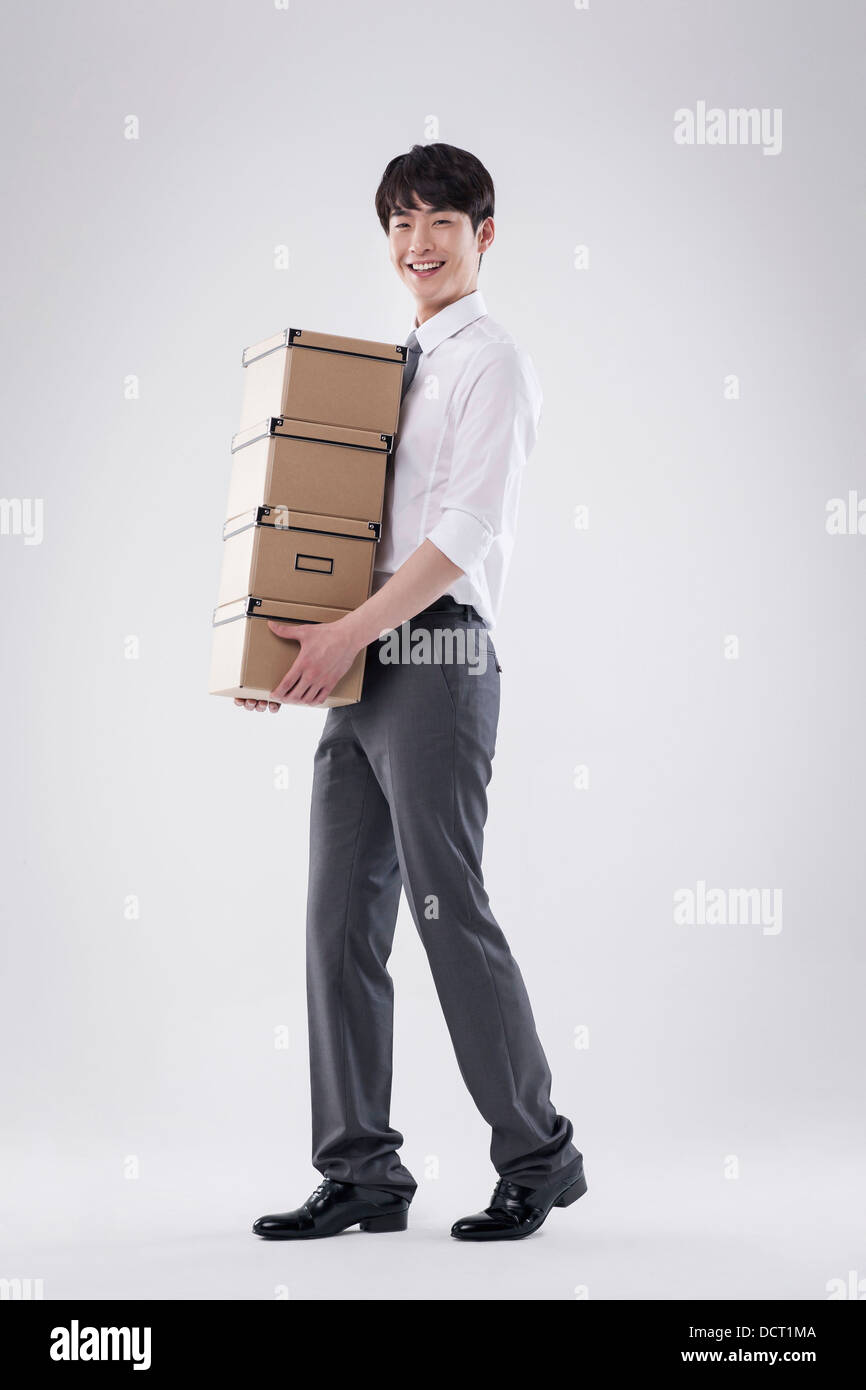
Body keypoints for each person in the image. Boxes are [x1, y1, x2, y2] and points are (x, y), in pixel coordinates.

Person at [242, 142, 587, 1241]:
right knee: (337, 916)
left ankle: (538, 1155)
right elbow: (344, 532)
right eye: (399, 223)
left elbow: (460, 536)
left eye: (440, 221)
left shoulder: (493, 361)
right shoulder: (387, 367)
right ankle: (362, 1172)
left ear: (484, 236)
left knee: (445, 911)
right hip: (362, 659)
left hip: (435, 652)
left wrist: (348, 631)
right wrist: (285, 652)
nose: (417, 244)